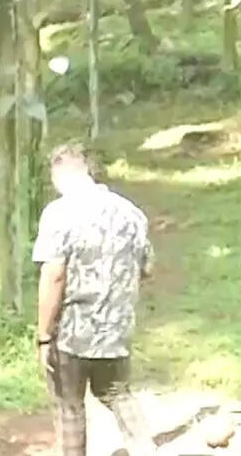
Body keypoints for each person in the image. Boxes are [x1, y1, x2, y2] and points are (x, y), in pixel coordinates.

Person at [32, 141, 157, 456]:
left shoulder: (59, 213)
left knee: (69, 403)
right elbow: (147, 268)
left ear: (59, 175)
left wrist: (44, 335)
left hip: (73, 331)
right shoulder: (132, 213)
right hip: (116, 327)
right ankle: (145, 449)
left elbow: (54, 275)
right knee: (116, 391)